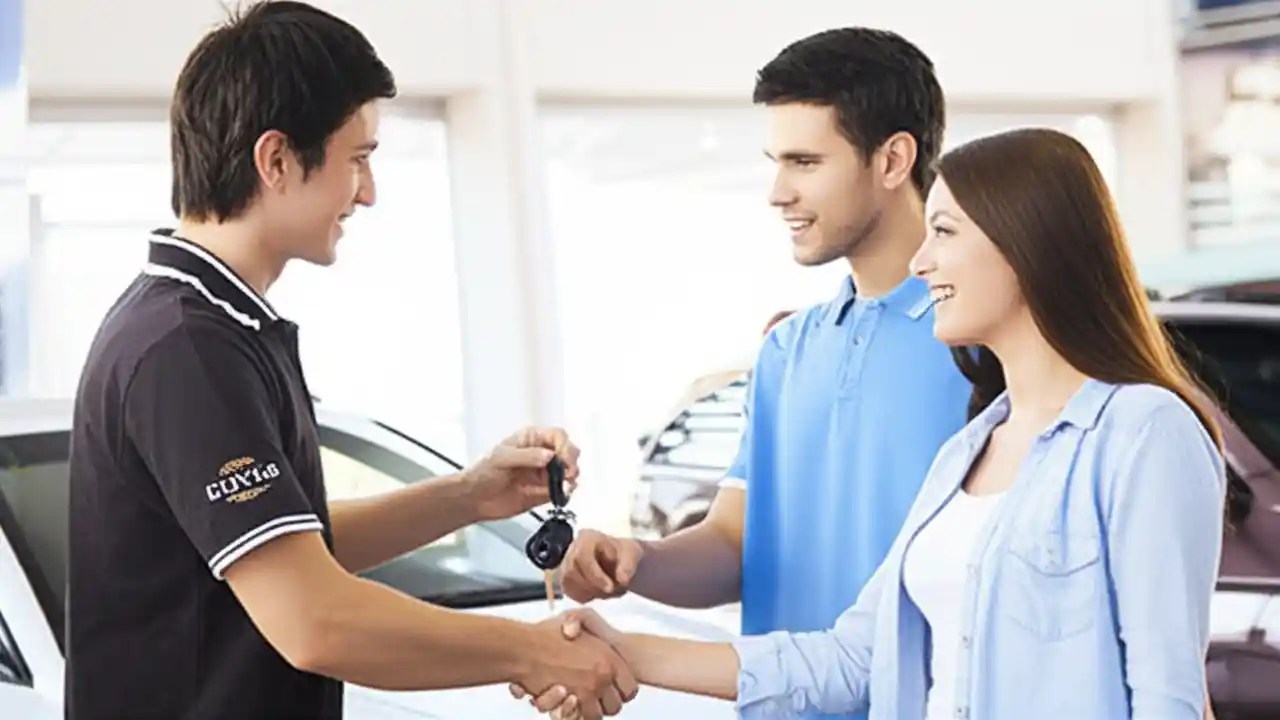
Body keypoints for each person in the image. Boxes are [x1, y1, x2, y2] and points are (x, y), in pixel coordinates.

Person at [522, 128, 1228, 720]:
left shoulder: (1143, 433)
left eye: (944, 233)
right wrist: (625, 649)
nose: (922, 261)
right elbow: (854, 656)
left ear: (1029, 245)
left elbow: (1168, 699)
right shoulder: (966, 453)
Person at [64, 4, 634, 720]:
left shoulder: (213, 326)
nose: (368, 192)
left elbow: (295, 549)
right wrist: (535, 650)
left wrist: (468, 497)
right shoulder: (186, 348)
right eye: (357, 160)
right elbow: (313, 618)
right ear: (275, 160)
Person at [535, 28, 972, 720]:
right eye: (776, 161)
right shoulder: (786, 351)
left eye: (804, 161)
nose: (778, 192)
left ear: (893, 159)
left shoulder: (980, 347)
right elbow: (736, 545)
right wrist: (636, 560)